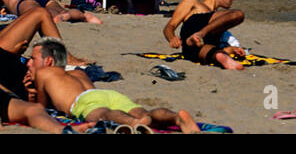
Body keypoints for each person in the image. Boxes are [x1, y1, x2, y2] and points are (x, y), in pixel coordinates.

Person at [25, 38, 199, 132]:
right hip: (107, 94)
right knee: (143, 111)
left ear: (48, 61)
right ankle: (176, 118)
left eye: (33, 59)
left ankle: (134, 123)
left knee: (104, 114)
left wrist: (31, 92)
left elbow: (42, 108)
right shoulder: (78, 72)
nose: (29, 63)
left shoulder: (43, 73)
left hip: (83, 101)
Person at [163, 0, 245, 70]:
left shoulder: (218, 21)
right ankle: (199, 35)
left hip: (194, 51)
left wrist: (231, 50)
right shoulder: (193, 2)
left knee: (214, 52)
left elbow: (212, 45)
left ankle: (222, 57)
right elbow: (170, 26)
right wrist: (172, 38)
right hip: (194, 29)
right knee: (238, 14)